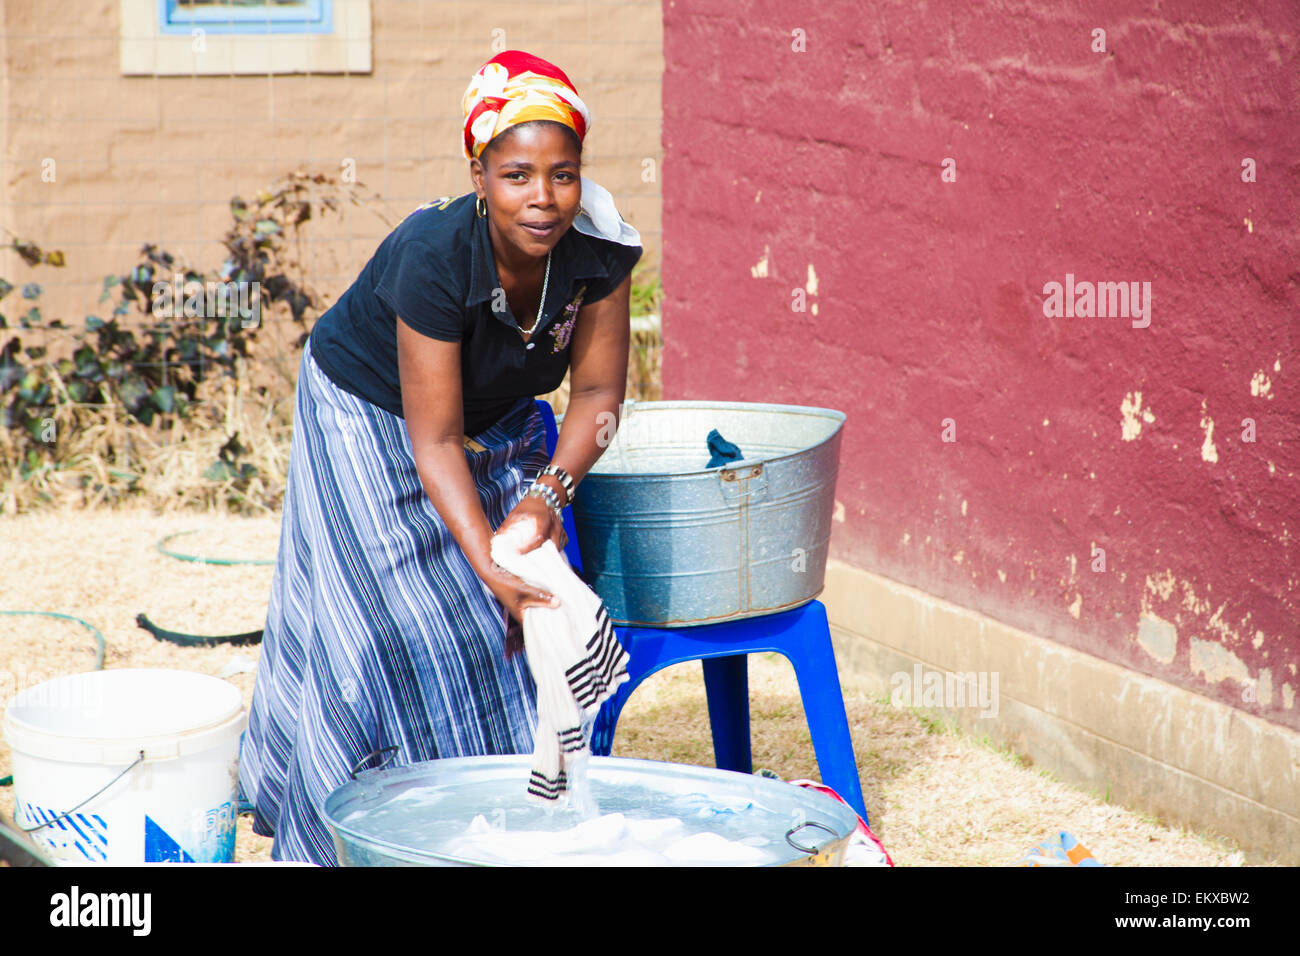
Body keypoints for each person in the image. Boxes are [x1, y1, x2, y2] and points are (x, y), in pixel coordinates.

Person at [237, 49, 643, 865]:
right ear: (479, 173)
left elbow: (598, 398)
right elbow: (432, 437)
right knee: (391, 625)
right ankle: (345, 825)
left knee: (517, 619)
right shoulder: (434, 255)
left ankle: (495, 820)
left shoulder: (598, 253)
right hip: (369, 409)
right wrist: (486, 565)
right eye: (518, 175)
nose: (543, 198)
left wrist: (547, 498)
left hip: (495, 421)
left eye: (562, 175)